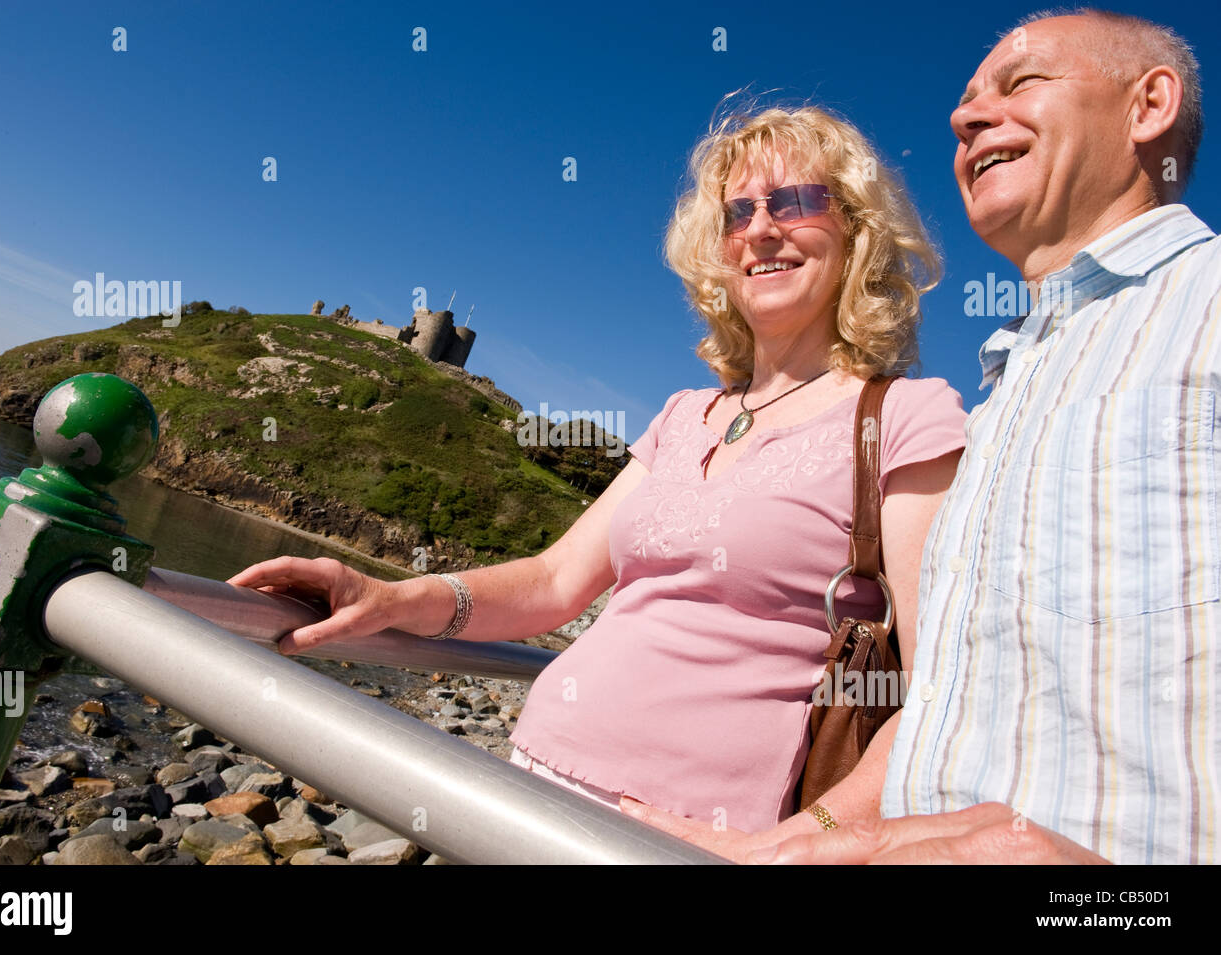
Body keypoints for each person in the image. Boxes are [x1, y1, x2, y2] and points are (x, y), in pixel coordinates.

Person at [229, 105, 967, 840]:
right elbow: (553, 581)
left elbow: (941, 688)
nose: (762, 228)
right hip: (529, 782)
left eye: (795, 200)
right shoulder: (683, 414)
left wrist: (814, 833)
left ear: (857, 227)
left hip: (694, 838)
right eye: (737, 213)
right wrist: (390, 596)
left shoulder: (905, 418)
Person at [629, 8, 1218, 865]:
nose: (966, 116)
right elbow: (943, 700)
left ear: (1149, 104)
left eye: (1020, 83)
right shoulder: (1002, 390)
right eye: (966, 101)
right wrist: (812, 833)